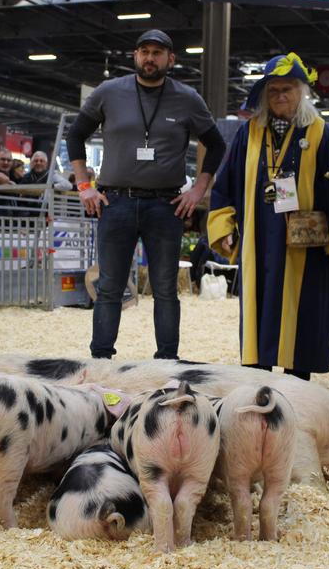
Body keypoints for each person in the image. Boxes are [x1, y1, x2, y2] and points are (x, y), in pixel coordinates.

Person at [66, 28, 227, 360]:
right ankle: (101, 360)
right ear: (135, 56)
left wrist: (198, 189)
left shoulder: (187, 98)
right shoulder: (109, 92)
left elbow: (217, 144)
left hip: (166, 205)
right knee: (109, 287)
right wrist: (84, 186)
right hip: (115, 201)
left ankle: (167, 361)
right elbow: (76, 135)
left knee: (166, 289)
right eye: (144, 52)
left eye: (157, 52)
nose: (149, 58)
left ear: (171, 59)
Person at [209, 52, 329, 381]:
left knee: (303, 317)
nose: (281, 96)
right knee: (259, 311)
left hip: (307, 248)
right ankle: (258, 378)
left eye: (288, 89)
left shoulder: (322, 135)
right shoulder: (249, 134)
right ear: (263, 96)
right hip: (258, 240)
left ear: (302, 91)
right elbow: (225, 184)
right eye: (273, 90)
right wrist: (224, 224)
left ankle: (298, 383)